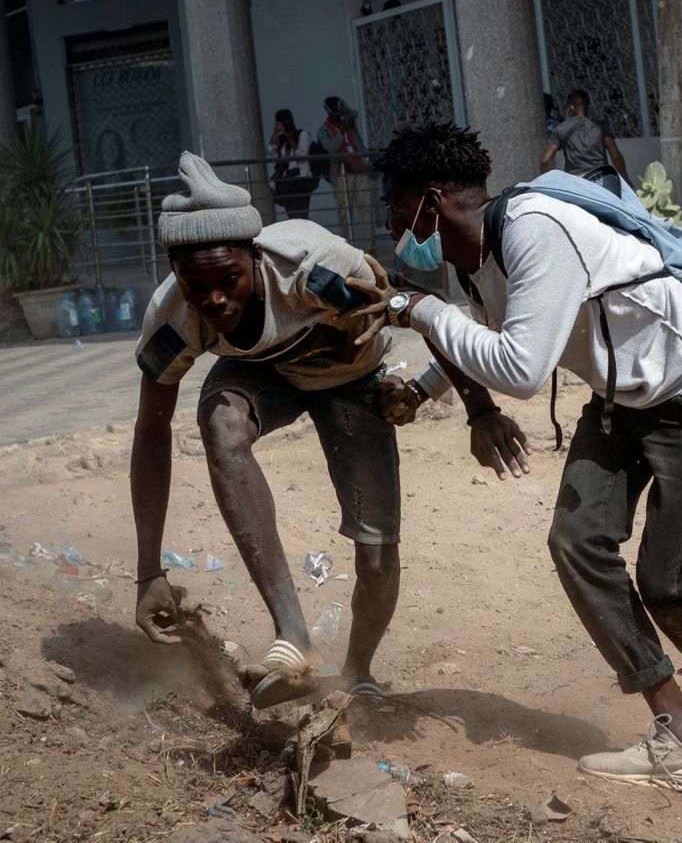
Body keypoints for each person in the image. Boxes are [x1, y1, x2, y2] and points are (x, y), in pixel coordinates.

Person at [351, 123, 682, 793]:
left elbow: (520, 368)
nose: (392, 223)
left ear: (430, 200)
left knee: (665, 581)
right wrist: (426, 388)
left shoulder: (534, 229)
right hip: (621, 396)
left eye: (395, 205)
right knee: (576, 542)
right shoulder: (475, 254)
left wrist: (419, 309)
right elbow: (486, 329)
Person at [130, 152, 524, 708]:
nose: (214, 299)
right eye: (196, 285)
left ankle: (357, 671)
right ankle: (293, 638)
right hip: (264, 375)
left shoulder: (315, 271)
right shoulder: (174, 318)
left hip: (350, 378)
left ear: (255, 257)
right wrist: (148, 571)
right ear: (176, 275)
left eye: (229, 280)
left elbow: (419, 307)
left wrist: (478, 409)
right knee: (221, 425)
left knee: (378, 554)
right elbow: (152, 431)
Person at [540, 90, 631, 186]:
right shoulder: (600, 127)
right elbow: (615, 156)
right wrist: (626, 179)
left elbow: (545, 160)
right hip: (600, 178)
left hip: (575, 181)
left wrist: (548, 183)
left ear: (570, 108)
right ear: (588, 106)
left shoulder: (561, 129)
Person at [317, 97, 374, 248]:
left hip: (359, 172)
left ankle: (370, 247)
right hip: (342, 175)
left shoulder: (349, 126)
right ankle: (348, 248)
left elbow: (359, 146)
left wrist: (366, 161)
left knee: (367, 209)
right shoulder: (324, 130)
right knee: (345, 214)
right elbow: (331, 148)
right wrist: (342, 130)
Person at [269, 109, 317, 220]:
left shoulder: (302, 134)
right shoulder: (281, 140)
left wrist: (289, 137)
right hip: (286, 182)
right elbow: (271, 150)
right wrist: (275, 132)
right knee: (292, 216)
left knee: (300, 215)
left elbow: (302, 154)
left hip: (300, 179)